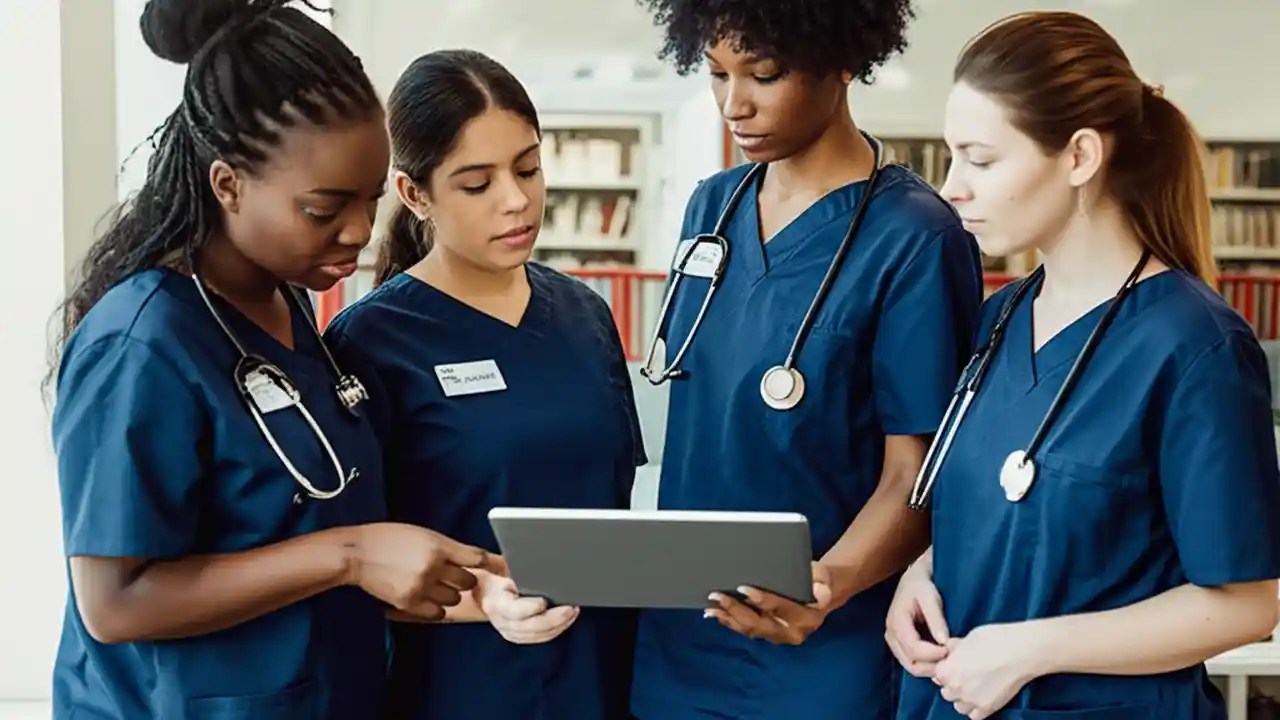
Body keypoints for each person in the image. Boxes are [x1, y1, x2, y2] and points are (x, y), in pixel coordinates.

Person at [47, 3, 501, 719]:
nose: (359, 231)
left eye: (370, 198)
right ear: (228, 184)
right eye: (324, 208)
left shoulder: (289, 312)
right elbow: (114, 602)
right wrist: (352, 554)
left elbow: (286, 539)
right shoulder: (142, 342)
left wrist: (445, 583)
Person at [887, 11, 1280, 720]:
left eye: (979, 158)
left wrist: (1030, 649)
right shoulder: (1003, 317)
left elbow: (1245, 606)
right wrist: (922, 575)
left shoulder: (1195, 348)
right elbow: (1001, 515)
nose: (952, 188)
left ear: (1079, 157)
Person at [629, 0, 984, 717]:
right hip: (682, 638)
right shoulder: (712, 210)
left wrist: (828, 584)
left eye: (765, 74)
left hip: (825, 643)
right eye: (718, 73)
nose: (736, 103)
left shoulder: (915, 237)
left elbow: (918, 476)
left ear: (846, 60)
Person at [322, 49, 647, 720]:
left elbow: (611, 499)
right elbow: (347, 568)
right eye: (477, 183)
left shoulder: (584, 315)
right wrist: (481, 603)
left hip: (608, 677)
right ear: (416, 195)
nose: (517, 199)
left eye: (528, 167)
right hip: (465, 685)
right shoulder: (371, 343)